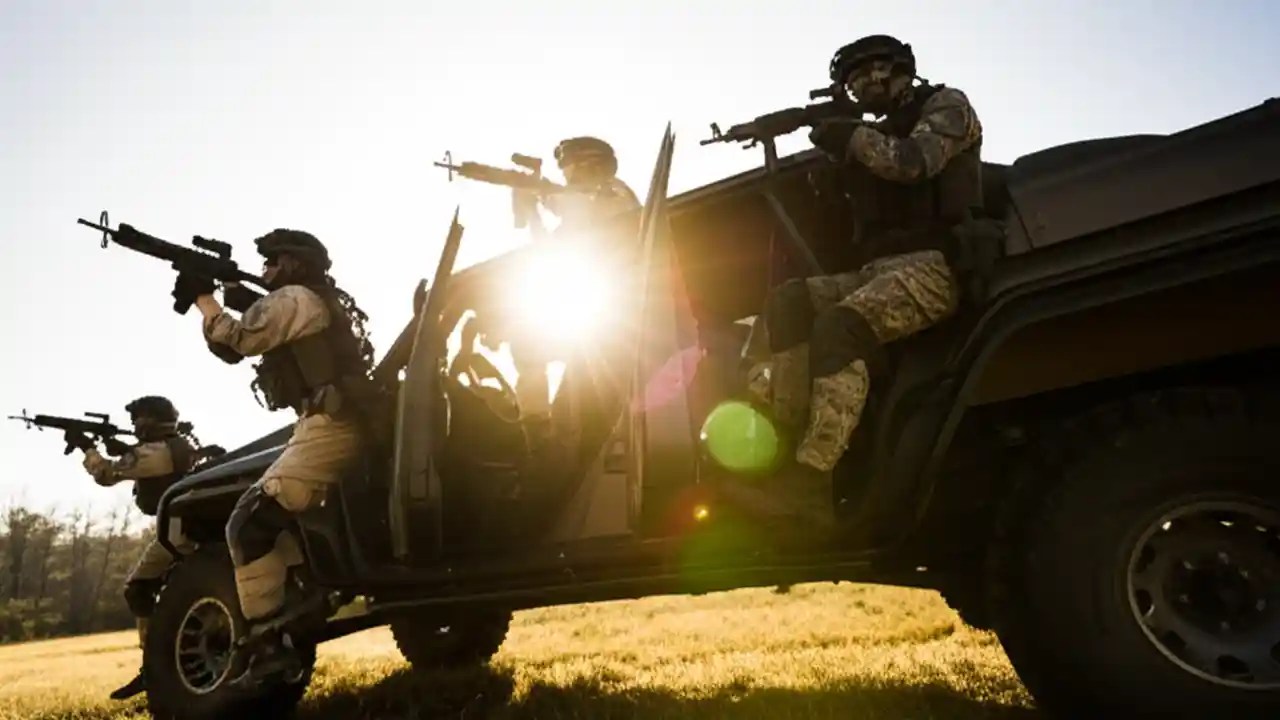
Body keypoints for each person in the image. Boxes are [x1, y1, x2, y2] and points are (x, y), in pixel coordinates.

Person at [753, 34, 985, 520]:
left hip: (933, 268)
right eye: (850, 81)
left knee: (841, 328)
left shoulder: (947, 106)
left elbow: (914, 163)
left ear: (891, 70)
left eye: (862, 76)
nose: (857, 87)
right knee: (789, 302)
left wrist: (851, 136)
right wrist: (833, 157)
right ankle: (782, 450)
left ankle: (812, 482)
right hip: (875, 270)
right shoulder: (872, 132)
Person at [180, 228, 378, 685]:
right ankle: (296, 610)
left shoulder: (295, 298)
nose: (265, 269)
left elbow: (238, 339)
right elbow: (242, 343)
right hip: (331, 422)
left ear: (294, 264)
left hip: (331, 426)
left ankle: (271, 649)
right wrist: (230, 293)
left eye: (272, 262)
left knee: (249, 523)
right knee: (276, 524)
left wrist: (204, 298)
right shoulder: (312, 298)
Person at [503, 136, 642, 419]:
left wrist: (537, 193)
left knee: (530, 346)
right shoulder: (598, 200)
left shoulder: (610, 195)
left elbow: (570, 212)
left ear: (590, 167)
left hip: (618, 327)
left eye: (570, 173)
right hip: (606, 329)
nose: (566, 181)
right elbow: (551, 250)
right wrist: (533, 204)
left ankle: (538, 427)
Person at [70, 395, 198, 700]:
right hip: (189, 527)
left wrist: (87, 447)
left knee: (138, 589)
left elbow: (106, 474)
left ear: (152, 420)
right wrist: (120, 447)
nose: (135, 424)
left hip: (177, 533)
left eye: (138, 418)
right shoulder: (177, 445)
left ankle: (154, 666)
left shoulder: (154, 453)